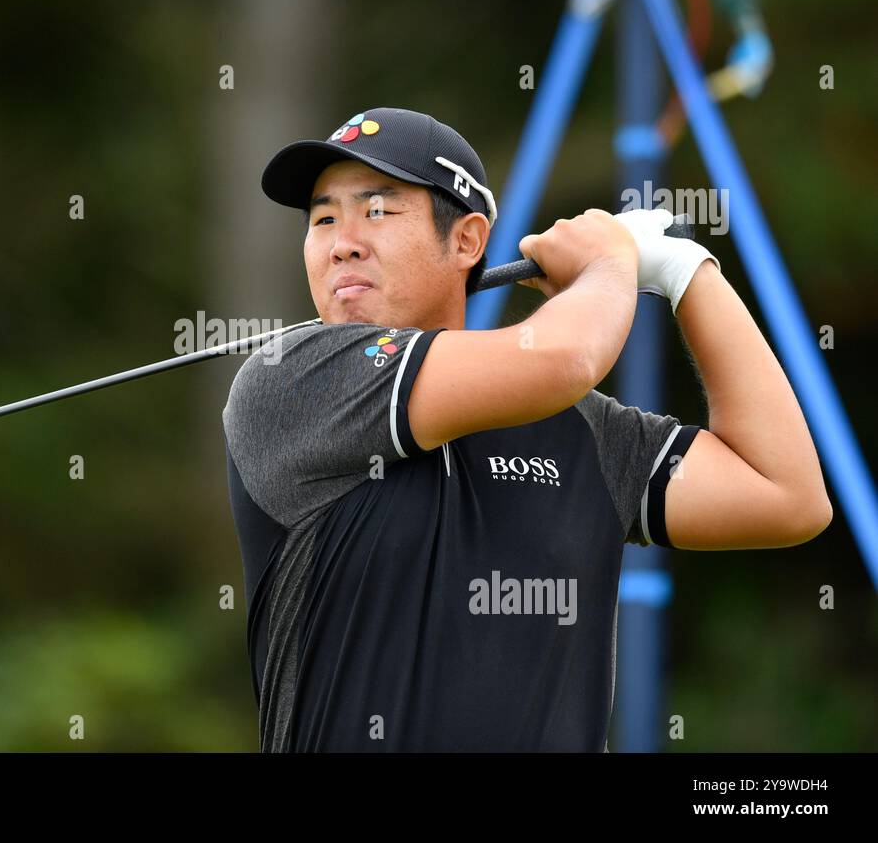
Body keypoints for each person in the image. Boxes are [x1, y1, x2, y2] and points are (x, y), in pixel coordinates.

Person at [221, 106, 831, 752]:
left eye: (377, 210)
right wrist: (610, 265)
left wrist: (688, 273)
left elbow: (786, 494)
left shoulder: (581, 431)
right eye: (322, 219)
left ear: (466, 241)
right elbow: (564, 357)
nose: (341, 239)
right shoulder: (292, 379)